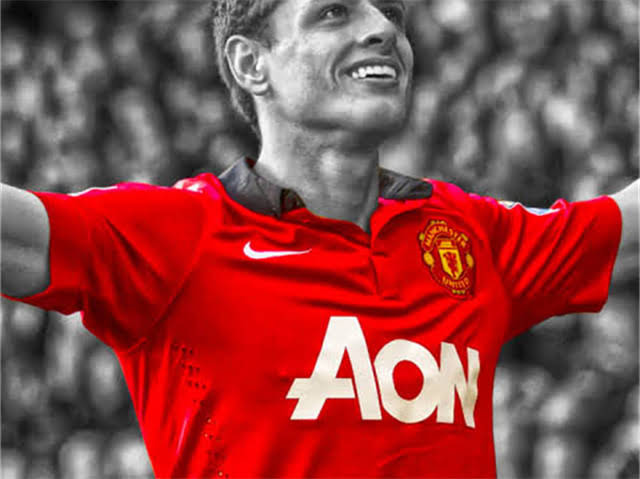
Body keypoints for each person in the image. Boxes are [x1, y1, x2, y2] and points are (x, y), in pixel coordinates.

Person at [1, 0, 637, 477]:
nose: (383, 27)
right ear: (252, 63)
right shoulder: (174, 234)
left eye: (391, 12)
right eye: (334, 12)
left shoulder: (469, 233)